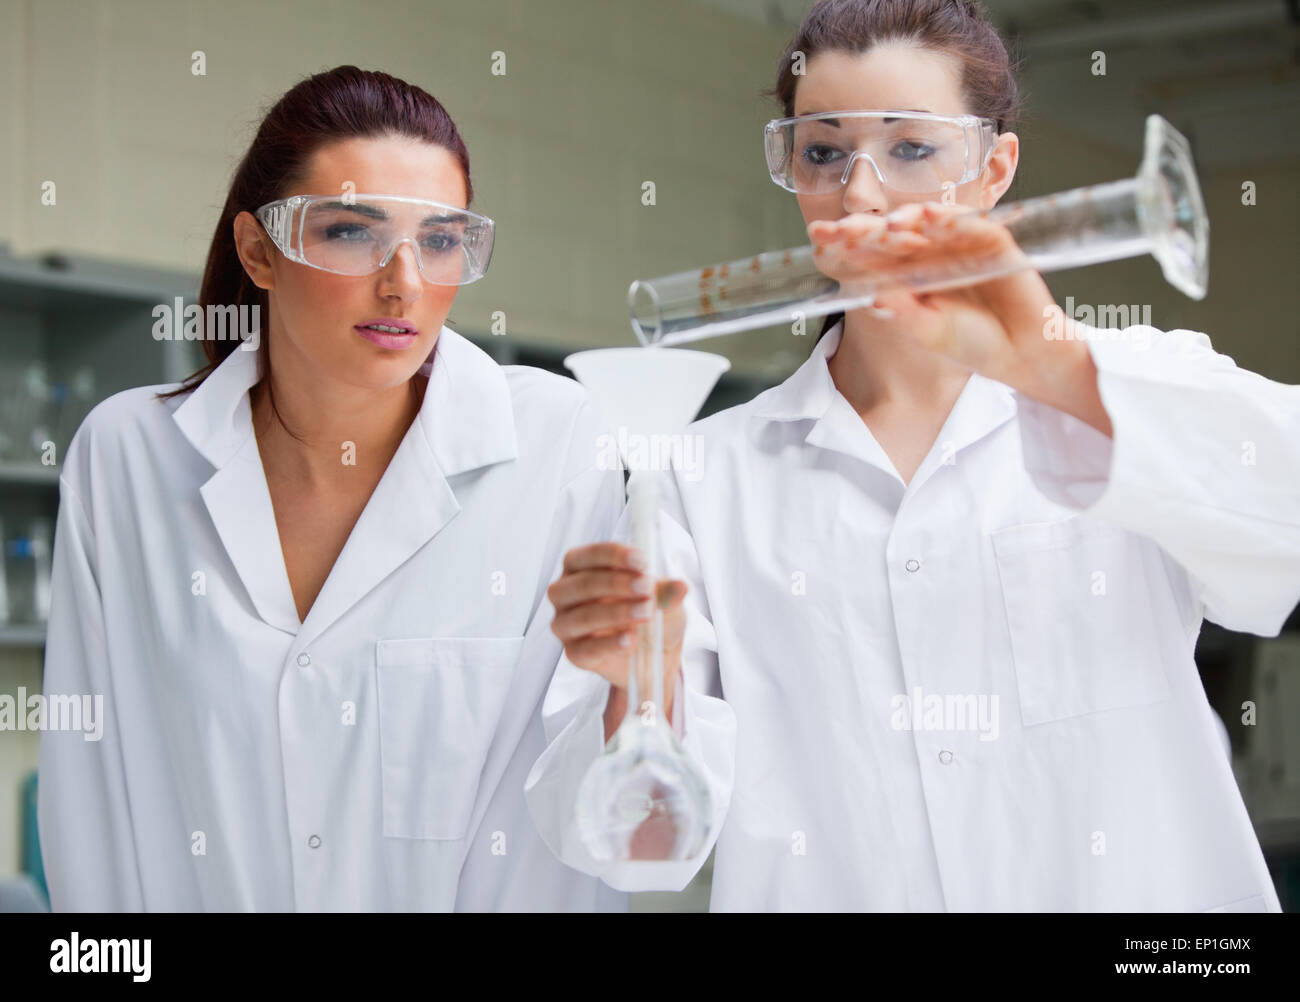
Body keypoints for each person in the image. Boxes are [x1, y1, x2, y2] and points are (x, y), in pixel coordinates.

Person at [533, 0, 1300, 910]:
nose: (859, 194)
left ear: (992, 168)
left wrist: (1053, 362)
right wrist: (637, 696)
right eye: (823, 151)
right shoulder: (704, 478)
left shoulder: (1132, 385)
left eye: (910, 148)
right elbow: (638, 849)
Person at [37, 66, 626, 911]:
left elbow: (580, 817)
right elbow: (88, 805)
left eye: (441, 239)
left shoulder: (552, 444)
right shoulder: (128, 456)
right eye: (353, 231)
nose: (405, 283)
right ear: (257, 252)